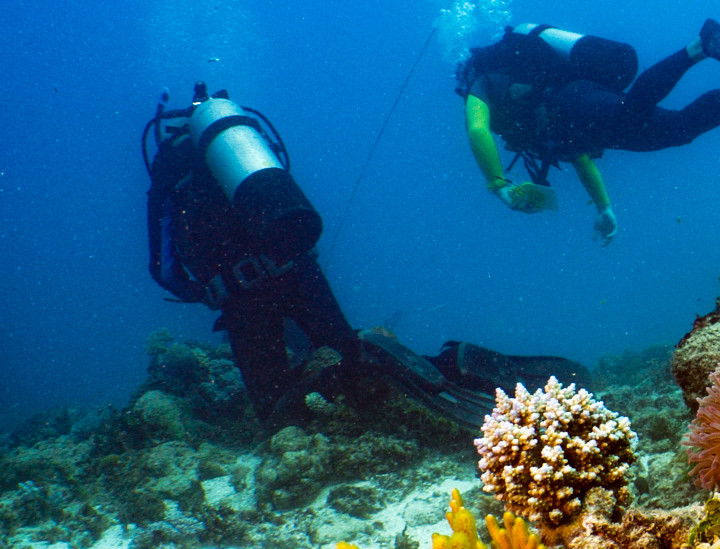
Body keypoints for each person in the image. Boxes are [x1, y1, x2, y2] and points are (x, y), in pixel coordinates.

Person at [144, 84, 585, 424]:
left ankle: (339, 380)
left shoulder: (171, 164)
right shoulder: (248, 143)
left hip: (240, 297)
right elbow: (287, 195)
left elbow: (163, 268)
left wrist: (204, 291)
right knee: (350, 360)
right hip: (299, 271)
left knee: (276, 411)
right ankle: (450, 363)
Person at [456, 19, 720, 244]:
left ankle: (700, 48)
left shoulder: (482, 87)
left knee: (628, 112)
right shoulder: (519, 119)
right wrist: (604, 207)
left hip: (573, 98)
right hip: (583, 122)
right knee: (677, 130)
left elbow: (476, 130)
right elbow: (578, 155)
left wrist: (498, 185)